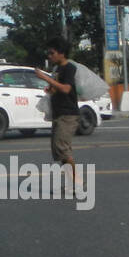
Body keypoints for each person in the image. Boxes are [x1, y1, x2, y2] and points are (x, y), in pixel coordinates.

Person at [34, 37, 80, 191]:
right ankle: (71, 183)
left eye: (52, 53)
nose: (49, 56)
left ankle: (77, 183)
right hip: (59, 112)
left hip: (68, 113)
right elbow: (58, 89)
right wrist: (50, 89)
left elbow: (66, 89)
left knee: (62, 148)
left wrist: (45, 77)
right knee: (59, 149)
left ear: (61, 53)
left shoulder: (69, 68)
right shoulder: (58, 69)